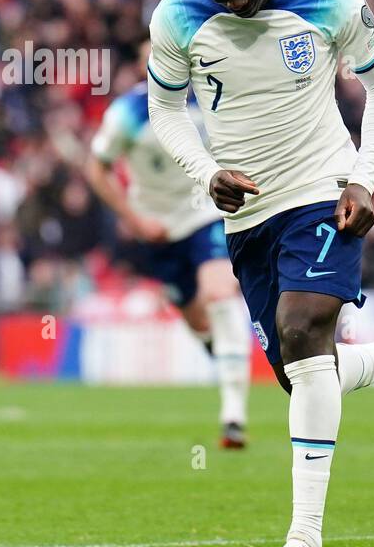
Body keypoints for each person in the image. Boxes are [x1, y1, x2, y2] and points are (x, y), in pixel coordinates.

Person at [145, 0, 374, 547]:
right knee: (302, 373)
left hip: (323, 192)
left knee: (303, 329)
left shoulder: (332, 1)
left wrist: (363, 179)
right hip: (248, 217)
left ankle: (304, 543)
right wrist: (205, 170)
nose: (236, 2)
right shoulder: (177, 16)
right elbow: (166, 108)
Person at [86, 81, 252, 448]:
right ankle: (221, 351)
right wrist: (134, 220)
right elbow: (97, 168)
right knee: (196, 319)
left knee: (220, 293)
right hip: (156, 228)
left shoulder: (216, 94)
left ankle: (233, 416)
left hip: (206, 212)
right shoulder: (128, 112)